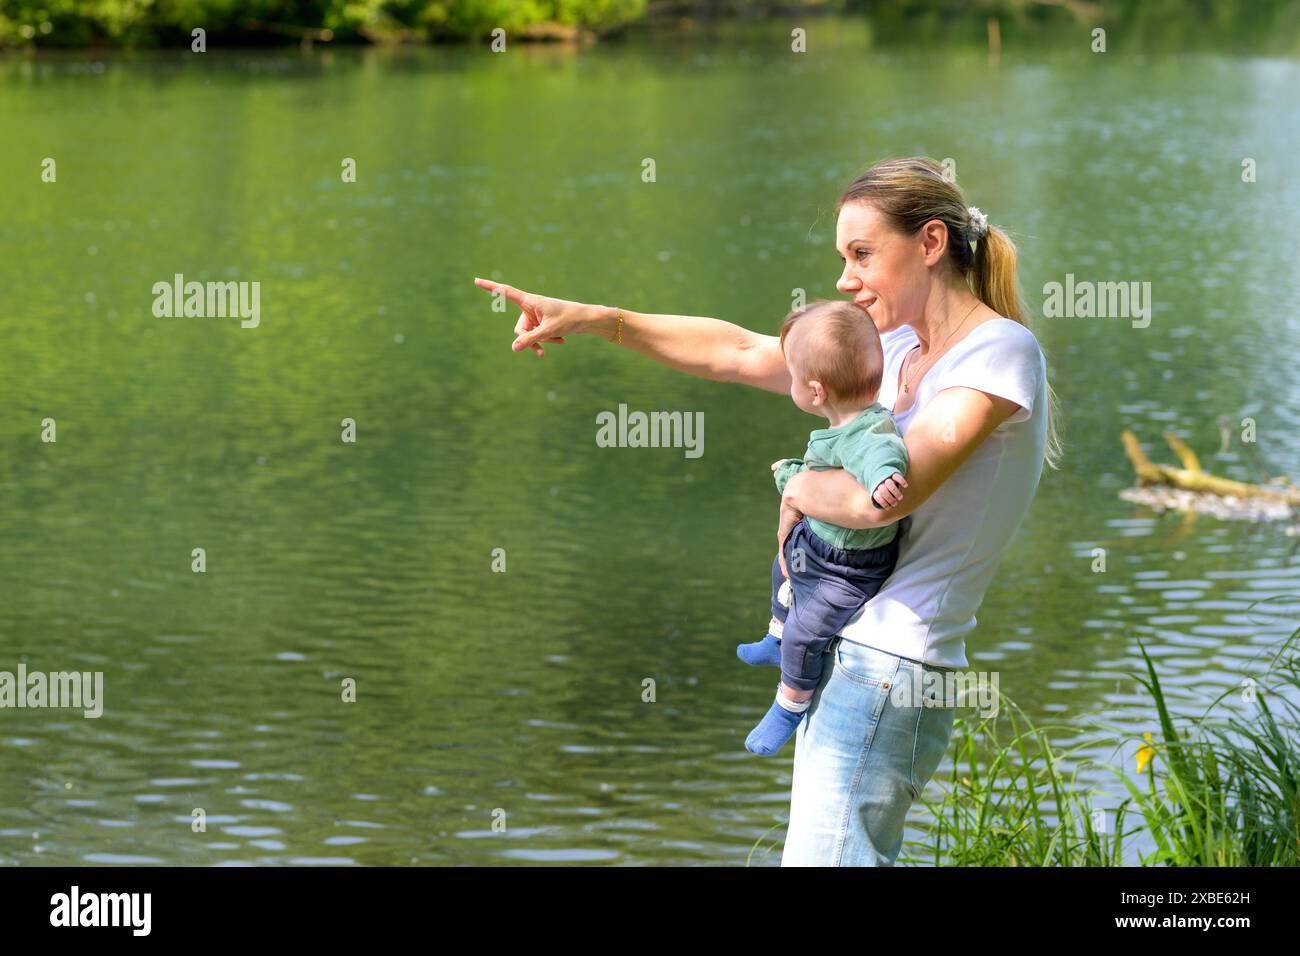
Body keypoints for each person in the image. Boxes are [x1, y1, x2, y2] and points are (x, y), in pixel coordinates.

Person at [472, 155, 1060, 866]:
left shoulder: (997, 353)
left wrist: (793, 484)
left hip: (893, 661)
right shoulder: (895, 348)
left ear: (931, 244)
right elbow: (741, 351)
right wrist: (601, 320)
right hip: (854, 657)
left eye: (862, 254)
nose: (845, 279)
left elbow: (876, 505)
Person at [740, 299, 908, 757]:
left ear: (815, 391)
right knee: (781, 574)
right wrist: (791, 472)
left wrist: (884, 481)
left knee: (807, 633)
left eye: (792, 377)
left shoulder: (869, 430)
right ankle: (775, 638)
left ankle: (789, 704)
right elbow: (820, 474)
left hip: (848, 568)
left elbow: (882, 457)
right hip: (816, 543)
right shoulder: (841, 425)